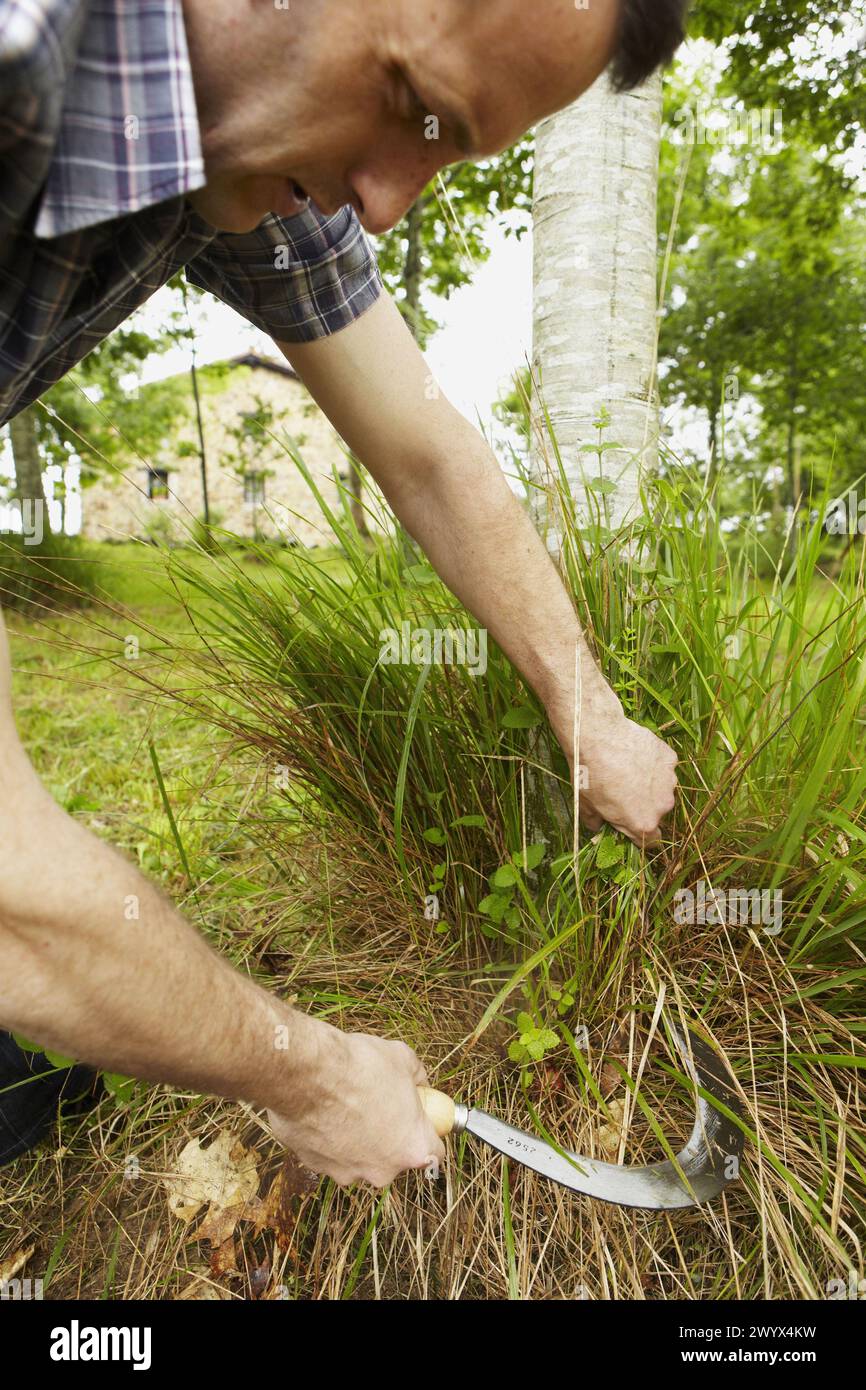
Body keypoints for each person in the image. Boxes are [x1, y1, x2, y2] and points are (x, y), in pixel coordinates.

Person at [0, 0, 685, 1183]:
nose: (384, 198)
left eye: (446, 152)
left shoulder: (249, 146)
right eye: (416, 111)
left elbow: (426, 451)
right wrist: (303, 1070)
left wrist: (589, 710)